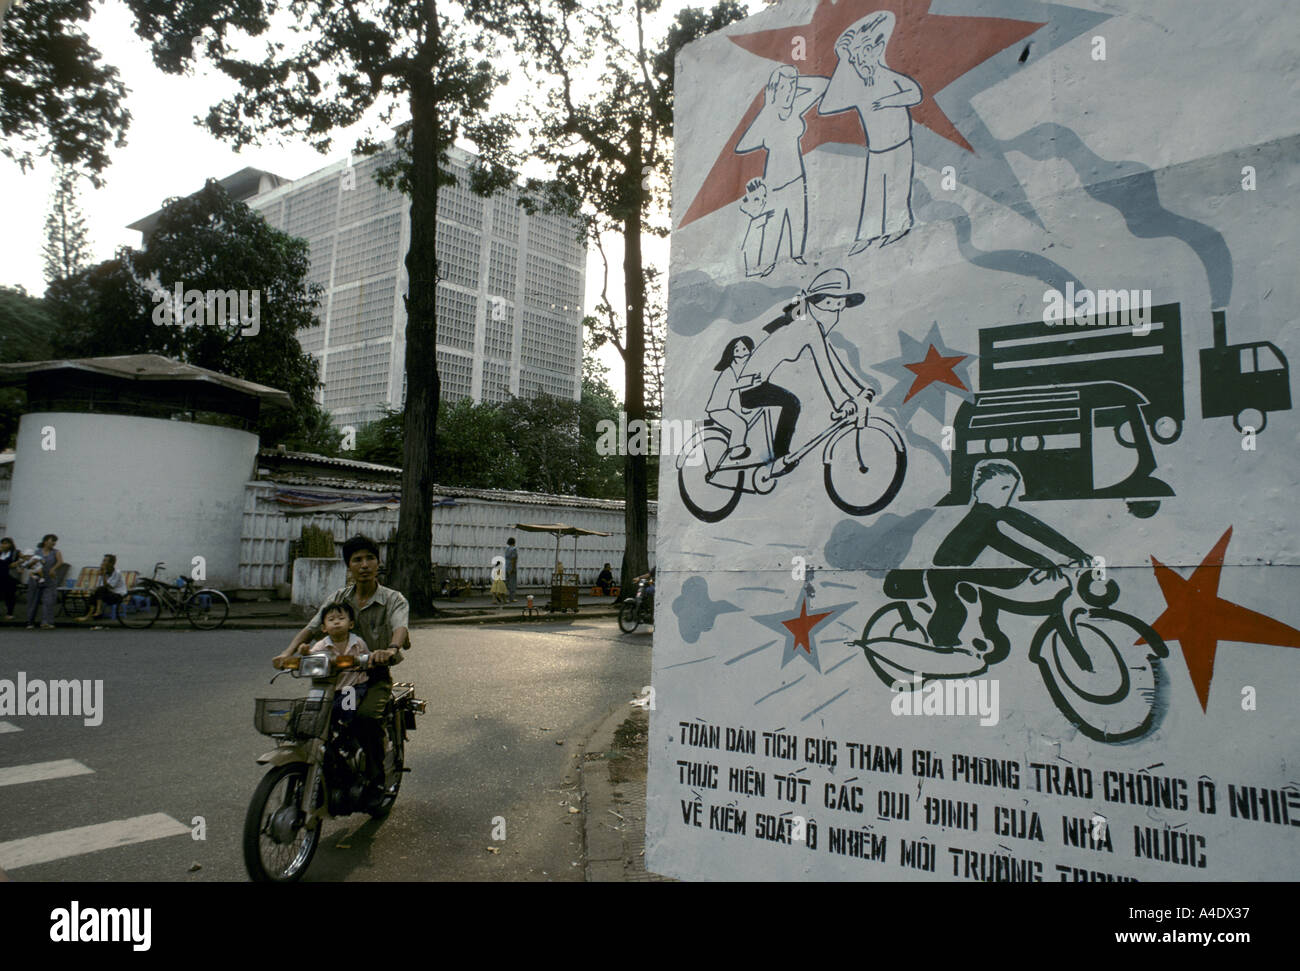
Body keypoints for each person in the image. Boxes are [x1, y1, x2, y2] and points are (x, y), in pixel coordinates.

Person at [274, 535, 409, 809]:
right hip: (331, 680)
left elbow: (400, 627)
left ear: (378, 562)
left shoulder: (393, 599)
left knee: (364, 718)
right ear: (349, 566)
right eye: (357, 560)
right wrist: (287, 653)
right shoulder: (338, 598)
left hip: (370, 679)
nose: (364, 565)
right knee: (304, 719)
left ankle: (376, 782)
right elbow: (312, 629)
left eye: (369, 558)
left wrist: (391, 649)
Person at [925, 461, 1091, 653]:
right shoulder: (981, 517)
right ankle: (942, 648)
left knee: (1007, 585)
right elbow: (1005, 544)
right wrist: (1043, 562)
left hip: (967, 573)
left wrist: (1075, 552)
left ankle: (986, 640)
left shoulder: (998, 512)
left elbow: (1036, 529)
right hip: (945, 576)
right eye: (1003, 488)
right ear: (979, 490)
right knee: (955, 612)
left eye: (1010, 489)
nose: (1007, 495)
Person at [741, 268, 878, 476]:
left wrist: (862, 389)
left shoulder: (813, 327)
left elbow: (835, 362)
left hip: (758, 383)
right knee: (792, 403)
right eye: (829, 304)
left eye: (840, 305)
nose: (835, 311)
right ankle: (779, 458)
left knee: (788, 401)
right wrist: (842, 403)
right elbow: (825, 366)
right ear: (814, 303)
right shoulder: (806, 327)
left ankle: (776, 458)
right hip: (747, 387)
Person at [820, 11, 922, 253]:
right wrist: (843, 61)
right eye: (856, 56)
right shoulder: (857, 87)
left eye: (864, 52)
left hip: (899, 146)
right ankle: (869, 234)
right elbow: (827, 106)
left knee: (896, 192)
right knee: (875, 194)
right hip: (876, 152)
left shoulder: (891, 78)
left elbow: (915, 93)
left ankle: (899, 226)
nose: (859, 60)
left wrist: (890, 101)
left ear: (877, 50)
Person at [736, 64, 830, 273]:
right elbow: (743, 145)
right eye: (784, 88)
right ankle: (768, 264)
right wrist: (767, 109)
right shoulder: (767, 117)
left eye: (792, 88)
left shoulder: (795, 108)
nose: (789, 93)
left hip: (797, 178)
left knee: (798, 224)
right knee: (773, 228)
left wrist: (798, 79)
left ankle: (797, 258)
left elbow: (823, 85)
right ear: (774, 90)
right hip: (774, 184)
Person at [306, 600, 369, 726]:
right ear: (324, 628)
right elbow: (312, 658)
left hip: (353, 686)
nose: (336, 622)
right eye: (331, 619)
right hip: (329, 687)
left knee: (347, 709)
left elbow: (368, 658)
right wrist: (305, 652)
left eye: (341, 618)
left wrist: (368, 661)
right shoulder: (321, 645)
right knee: (316, 711)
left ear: (351, 624)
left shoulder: (358, 642)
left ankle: (349, 734)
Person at [707, 336, 761, 461]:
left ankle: (734, 449)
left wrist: (742, 409)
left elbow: (735, 394)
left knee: (740, 422)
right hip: (717, 409)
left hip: (724, 408)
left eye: (744, 349)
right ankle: (735, 451)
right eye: (737, 350)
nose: (741, 353)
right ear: (731, 352)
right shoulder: (729, 371)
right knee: (740, 425)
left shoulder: (738, 369)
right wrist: (751, 380)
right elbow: (733, 385)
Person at [25, 534, 62, 630]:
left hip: (50, 579)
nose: (53, 543)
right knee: (33, 600)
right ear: (45, 542)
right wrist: (33, 562)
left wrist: (53, 569)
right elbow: (28, 565)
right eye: (52, 541)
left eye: (55, 541)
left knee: (48, 601)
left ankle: (46, 622)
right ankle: (30, 621)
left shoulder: (56, 552)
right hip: (36, 579)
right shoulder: (37, 552)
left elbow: (60, 562)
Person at [77, 554, 127, 623]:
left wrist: (103, 574)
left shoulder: (117, 573)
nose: (103, 562)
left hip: (117, 596)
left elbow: (109, 586)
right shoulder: (105, 572)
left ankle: (98, 611)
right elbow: (100, 585)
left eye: (105, 561)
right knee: (93, 593)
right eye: (103, 560)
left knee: (100, 590)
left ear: (111, 563)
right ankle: (89, 615)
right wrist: (94, 589)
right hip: (107, 594)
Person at [0, 538, 18, 621]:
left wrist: (17, 563)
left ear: (10, 544)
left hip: (10, 577)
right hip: (1, 576)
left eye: (6, 543)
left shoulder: (15, 553)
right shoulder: (1, 553)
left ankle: (10, 613)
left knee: (9, 595)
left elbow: (26, 558)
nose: (4, 545)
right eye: (2, 543)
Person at [504, 536, 518, 602]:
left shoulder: (506, 548)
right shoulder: (514, 549)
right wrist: (513, 568)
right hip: (511, 567)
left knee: (506, 582)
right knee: (512, 583)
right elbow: (513, 559)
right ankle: (511, 598)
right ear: (514, 542)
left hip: (506, 565)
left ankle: (504, 597)